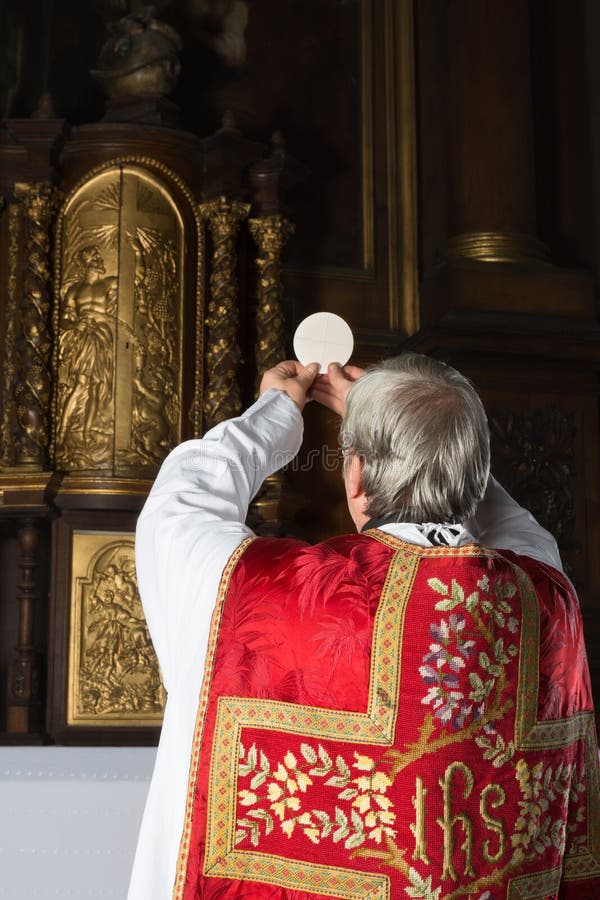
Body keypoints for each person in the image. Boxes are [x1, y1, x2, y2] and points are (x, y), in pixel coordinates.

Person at [129, 353, 600, 900]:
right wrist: (426, 436)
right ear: (472, 474)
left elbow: (180, 506)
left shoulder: (270, 595)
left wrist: (276, 412)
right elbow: (518, 528)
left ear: (355, 476)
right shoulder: (545, 599)